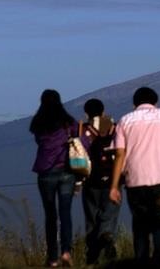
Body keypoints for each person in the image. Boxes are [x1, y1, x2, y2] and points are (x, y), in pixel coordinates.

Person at [109, 86, 160, 265]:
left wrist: (114, 186)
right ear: (156, 102)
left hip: (135, 181)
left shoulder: (125, 121)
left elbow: (120, 154)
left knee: (140, 225)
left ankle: (141, 260)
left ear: (134, 103)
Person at [30, 89, 78, 268]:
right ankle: (67, 252)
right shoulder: (68, 122)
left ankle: (52, 258)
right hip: (66, 171)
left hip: (46, 172)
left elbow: (39, 141)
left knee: (50, 215)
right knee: (66, 213)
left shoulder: (38, 122)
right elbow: (77, 138)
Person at [80, 98, 120, 265]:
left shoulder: (84, 130)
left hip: (90, 180)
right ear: (103, 111)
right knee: (109, 214)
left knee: (91, 217)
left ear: (87, 113)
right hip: (113, 179)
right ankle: (107, 236)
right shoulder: (114, 127)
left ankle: (92, 254)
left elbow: (79, 154)